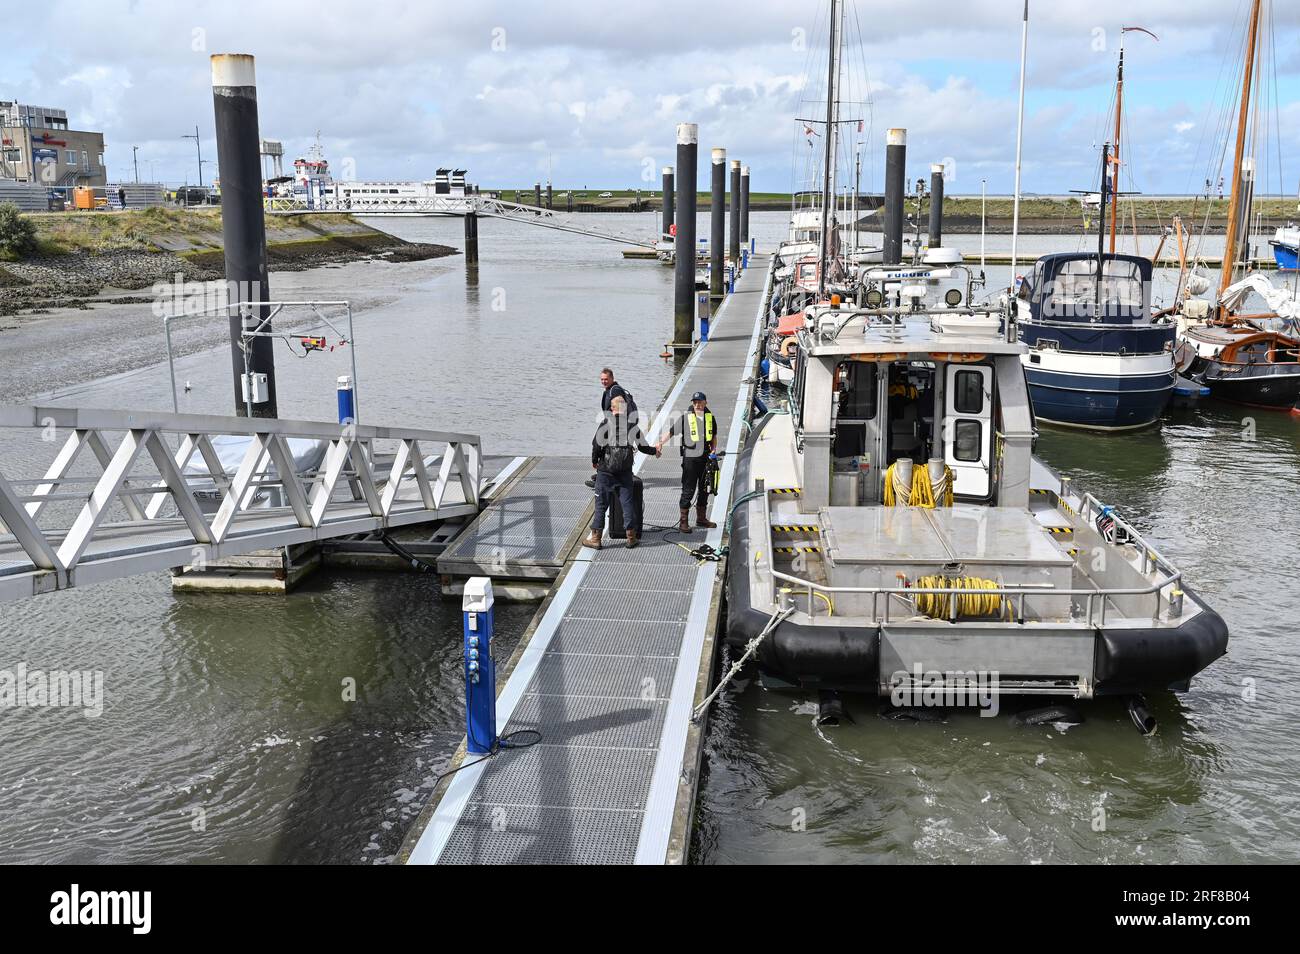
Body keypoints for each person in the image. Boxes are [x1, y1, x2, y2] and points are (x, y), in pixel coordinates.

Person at [586, 395, 658, 549]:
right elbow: (643, 447)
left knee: (600, 504)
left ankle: (596, 539)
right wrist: (655, 451)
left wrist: (595, 461)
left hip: (606, 470)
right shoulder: (632, 425)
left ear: (612, 409)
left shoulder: (606, 423)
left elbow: (596, 445)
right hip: (625, 472)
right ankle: (631, 537)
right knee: (627, 504)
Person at [658, 391, 718, 533]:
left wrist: (714, 450)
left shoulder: (710, 417)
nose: (697, 404)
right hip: (691, 459)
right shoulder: (686, 418)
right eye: (695, 402)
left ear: (705, 403)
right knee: (688, 490)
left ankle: (701, 518)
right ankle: (683, 522)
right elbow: (672, 432)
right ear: (692, 403)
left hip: (706, 459)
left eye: (700, 402)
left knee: (704, 489)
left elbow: (714, 436)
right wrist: (660, 443)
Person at [587, 367, 638, 488]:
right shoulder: (609, 390)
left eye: (606, 379)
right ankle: (601, 474)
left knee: (608, 449)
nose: (603, 382)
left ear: (612, 378)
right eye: (602, 379)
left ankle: (601, 478)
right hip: (613, 423)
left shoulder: (615, 391)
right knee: (606, 448)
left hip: (617, 425)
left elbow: (620, 408)